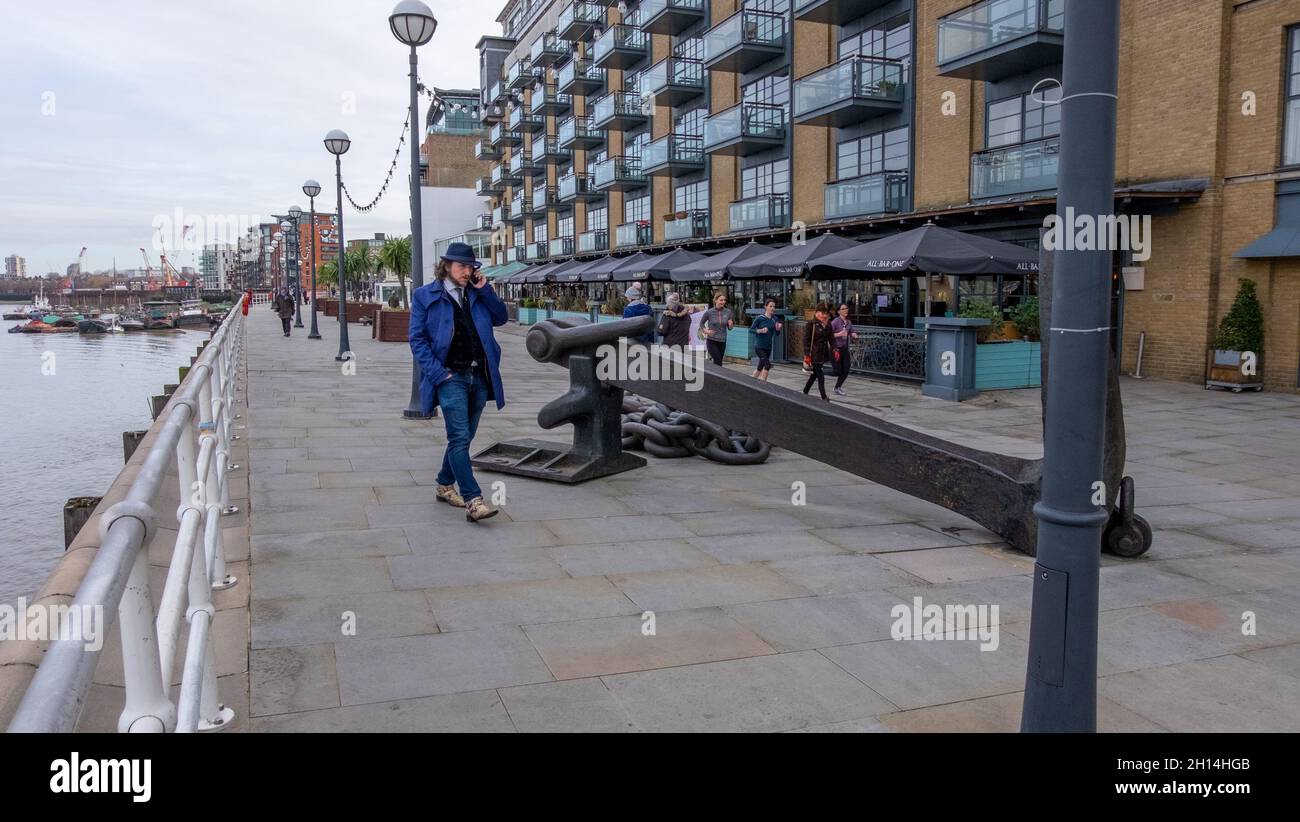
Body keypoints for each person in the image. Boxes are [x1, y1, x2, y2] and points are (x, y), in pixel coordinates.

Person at [408, 241, 508, 523]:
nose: (467, 271)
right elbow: (417, 340)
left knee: (464, 437)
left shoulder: (476, 294)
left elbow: (501, 317)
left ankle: (443, 484)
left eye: (471, 267)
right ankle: (473, 500)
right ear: (447, 266)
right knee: (460, 437)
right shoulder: (425, 296)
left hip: (479, 376)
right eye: (462, 266)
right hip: (450, 376)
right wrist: (439, 374)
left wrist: (484, 288)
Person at [803, 303, 834, 401]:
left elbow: (831, 339)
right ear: (816, 313)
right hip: (813, 354)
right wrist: (807, 355)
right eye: (822, 313)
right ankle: (824, 396)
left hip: (822, 354)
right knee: (820, 375)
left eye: (826, 313)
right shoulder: (811, 324)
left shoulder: (828, 325)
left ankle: (805, 391)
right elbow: (806, 340)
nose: (824, 315)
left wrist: (836, 349)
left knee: (814, 375)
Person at [831, 303, 859, 396]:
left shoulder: (848, 322)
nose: (846, 310)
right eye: (843, 309)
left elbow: (852, 331)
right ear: (839, 311)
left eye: (846, 308)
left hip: (844, 348)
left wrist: (854, 334)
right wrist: (839, 334)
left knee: (846, 369)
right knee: (837, 371)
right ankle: (819, 372)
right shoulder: (835, 322)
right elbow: (829, 335)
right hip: (835, 349)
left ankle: (837, 387)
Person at [750, 299, 782, 380]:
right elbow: (751, 330)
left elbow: (777, 334)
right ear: (765, 307)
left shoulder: (775, 319)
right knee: (767, 365)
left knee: (760, 367)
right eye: (770, 306)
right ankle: (763, 386)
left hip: (768, 347)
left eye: (774, 306)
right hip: (759, 346)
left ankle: (751, 381)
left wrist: (778, 329)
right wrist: (760, 330)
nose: (772, 308)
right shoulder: (759, 318)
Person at [700, 292, 733, 366]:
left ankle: (714, 376)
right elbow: (701, 323)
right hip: (712, 340)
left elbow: (730, 328)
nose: (723, 302)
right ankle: (717, 376)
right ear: (715, 300)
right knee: (717, 360)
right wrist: (706, 331)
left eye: (724, 300)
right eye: (721, 300)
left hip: (722, 341)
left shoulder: (728, 312)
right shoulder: (709, 312)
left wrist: (731, 325)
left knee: (719, 362)